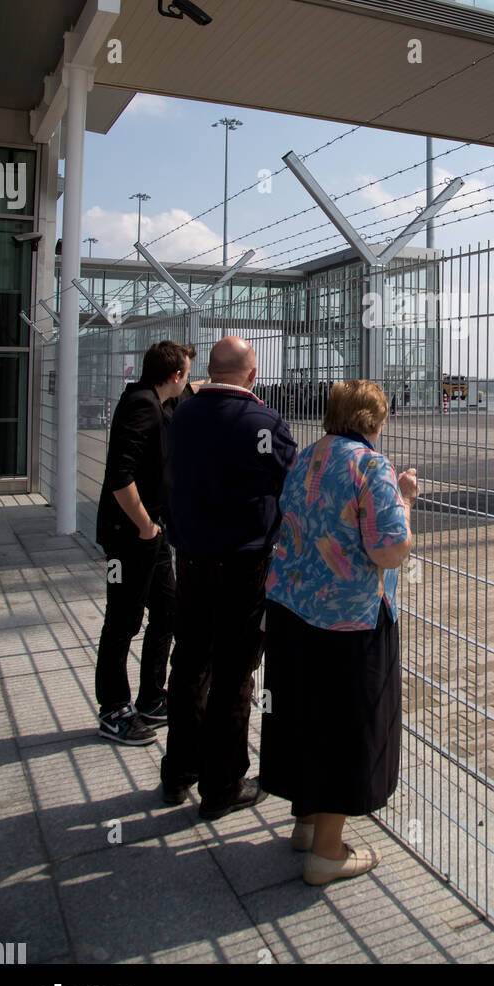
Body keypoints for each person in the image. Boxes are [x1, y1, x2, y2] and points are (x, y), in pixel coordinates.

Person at [259, 378, 418, 886]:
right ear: (374, 421)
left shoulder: (305, 456)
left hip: (290, 609)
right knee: (345, 725)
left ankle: (306, 823)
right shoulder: (372, 467)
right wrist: (408, 500)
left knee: (301, 714)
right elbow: (389, 550)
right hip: (348, 620)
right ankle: (327, 852)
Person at [160, 336, 297, 820]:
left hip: (191, 560)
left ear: (210, 372)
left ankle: (178, 772)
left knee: (191, 661)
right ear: (253, 375)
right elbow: (292, 482)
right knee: (236, 671)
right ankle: (223, 786)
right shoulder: (262, 422)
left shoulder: (180, 417)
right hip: (244, 564)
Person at [95, 340, 193, 745]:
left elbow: (190, 388)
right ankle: (114, 710)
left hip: (149, 533)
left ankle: (152, 697)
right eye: (186, 371)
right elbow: (121, 474)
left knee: (167, 610)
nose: (188, 377)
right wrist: (144, 525)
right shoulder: (143, 406)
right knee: (122, 620)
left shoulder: (153, 398)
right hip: (132, 534)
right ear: (174, 375)